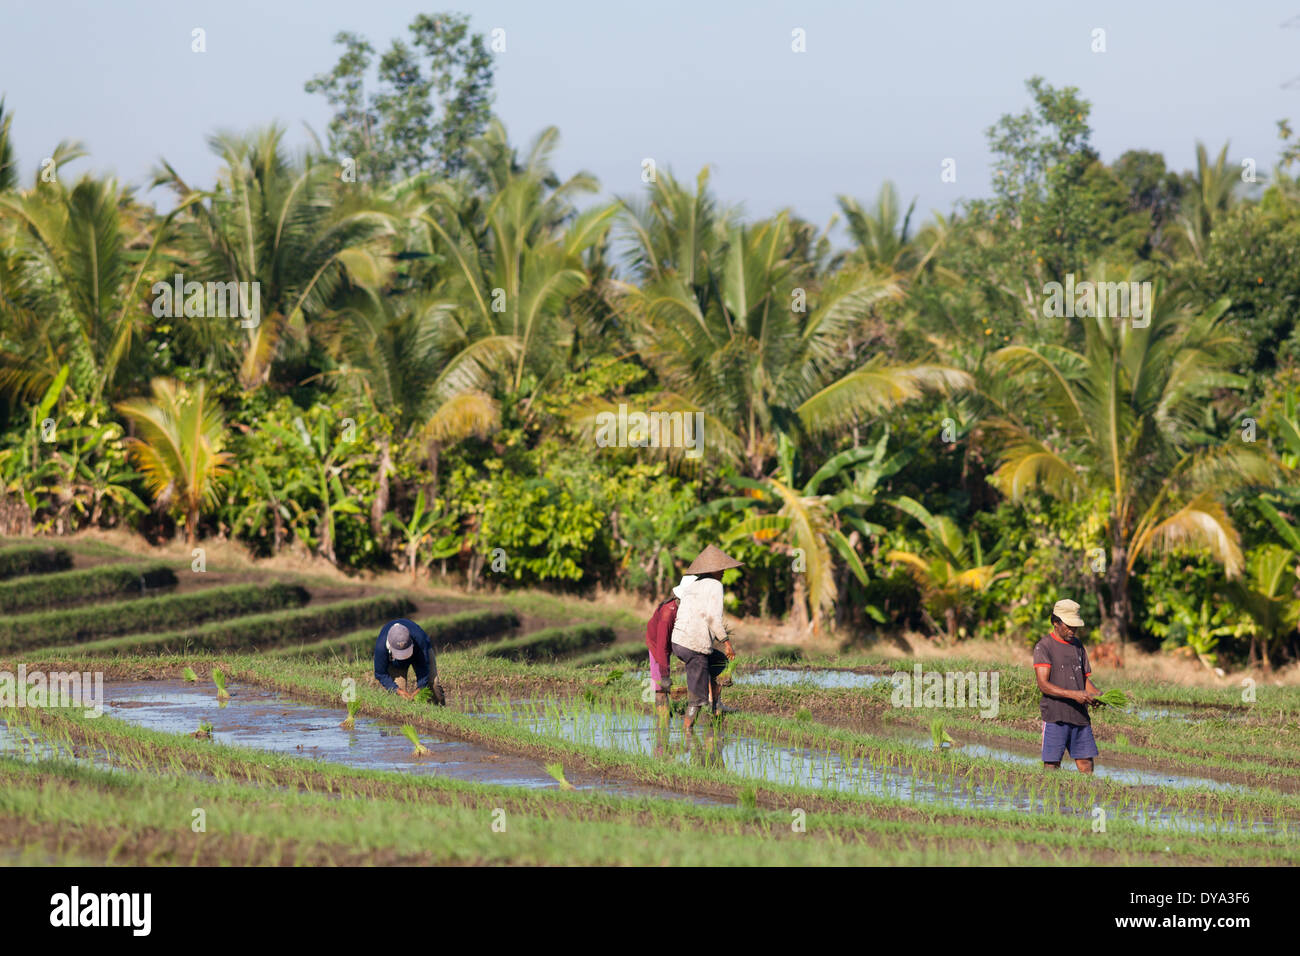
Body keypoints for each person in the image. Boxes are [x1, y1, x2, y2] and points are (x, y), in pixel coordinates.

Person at [669, 545, 741, 731]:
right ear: (711, 569)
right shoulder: (715, 586)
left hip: (678, 641)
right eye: (721, 568)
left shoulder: (693, 585)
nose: (724, 571)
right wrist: (727, 643)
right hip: (694, 645)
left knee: (718, 662)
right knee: (697, 698)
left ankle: (716, 706)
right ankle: (687, 730)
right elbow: (713, 618)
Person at [1032, 599, 1103, 773]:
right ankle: (1050, 799)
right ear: (1055, 623)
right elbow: (1044, 685)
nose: (1073, 630)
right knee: (1051, 765)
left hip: (1079, 715)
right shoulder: (1044, 646)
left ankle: (1086, 798)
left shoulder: (1078, 646)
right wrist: (1075, 695)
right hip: (1055, 715)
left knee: (1086, 764)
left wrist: (1098, 695)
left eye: (1075, 626)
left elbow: (1084, 679)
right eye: (1069, 626)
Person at [374, 619, 446, 705]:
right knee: (400, 700)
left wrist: (420, 687)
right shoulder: (381, 647)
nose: (404, 657)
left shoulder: (419, 639)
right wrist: (398, 690)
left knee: (433, 684)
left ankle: (439, 709)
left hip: (418, 652)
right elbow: (380, 673)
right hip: (396, 664)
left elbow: (424, 666)